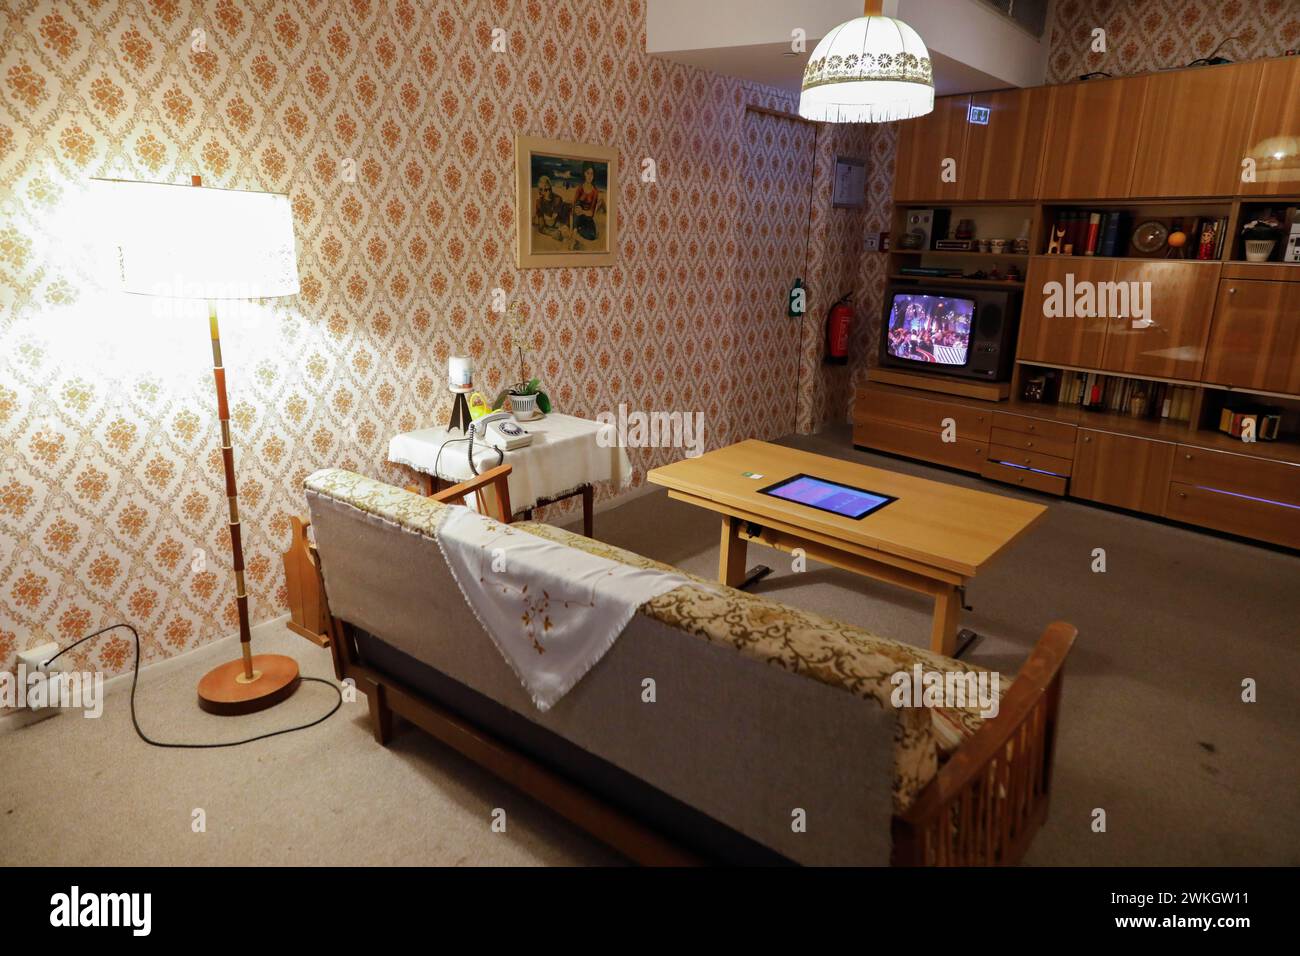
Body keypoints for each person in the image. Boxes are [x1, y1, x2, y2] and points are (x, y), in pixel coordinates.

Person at [570, 163, 601, 244]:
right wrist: (578, 211)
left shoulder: (595, 192)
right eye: (588, 173)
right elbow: (574, 208)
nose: (590, 176)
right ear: (584, 174)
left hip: (588, 218)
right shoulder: (580, 189)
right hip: (578, 217)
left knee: (592, 236)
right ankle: (575, 229)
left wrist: (583, 211)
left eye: (592, 174)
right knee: (578, 204)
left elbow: (591, 213)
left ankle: (577, 231)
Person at [533, 175, 569, 240]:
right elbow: (541, 227)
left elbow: (563, 221)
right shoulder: (539, 203)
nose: (548, 192)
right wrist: (552, 233)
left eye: (549, 189)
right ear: (541, 191)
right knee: (536, 221)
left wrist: (563, 228)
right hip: (549, 223)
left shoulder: (557, 199)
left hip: (557, 222)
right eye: (545, 190)